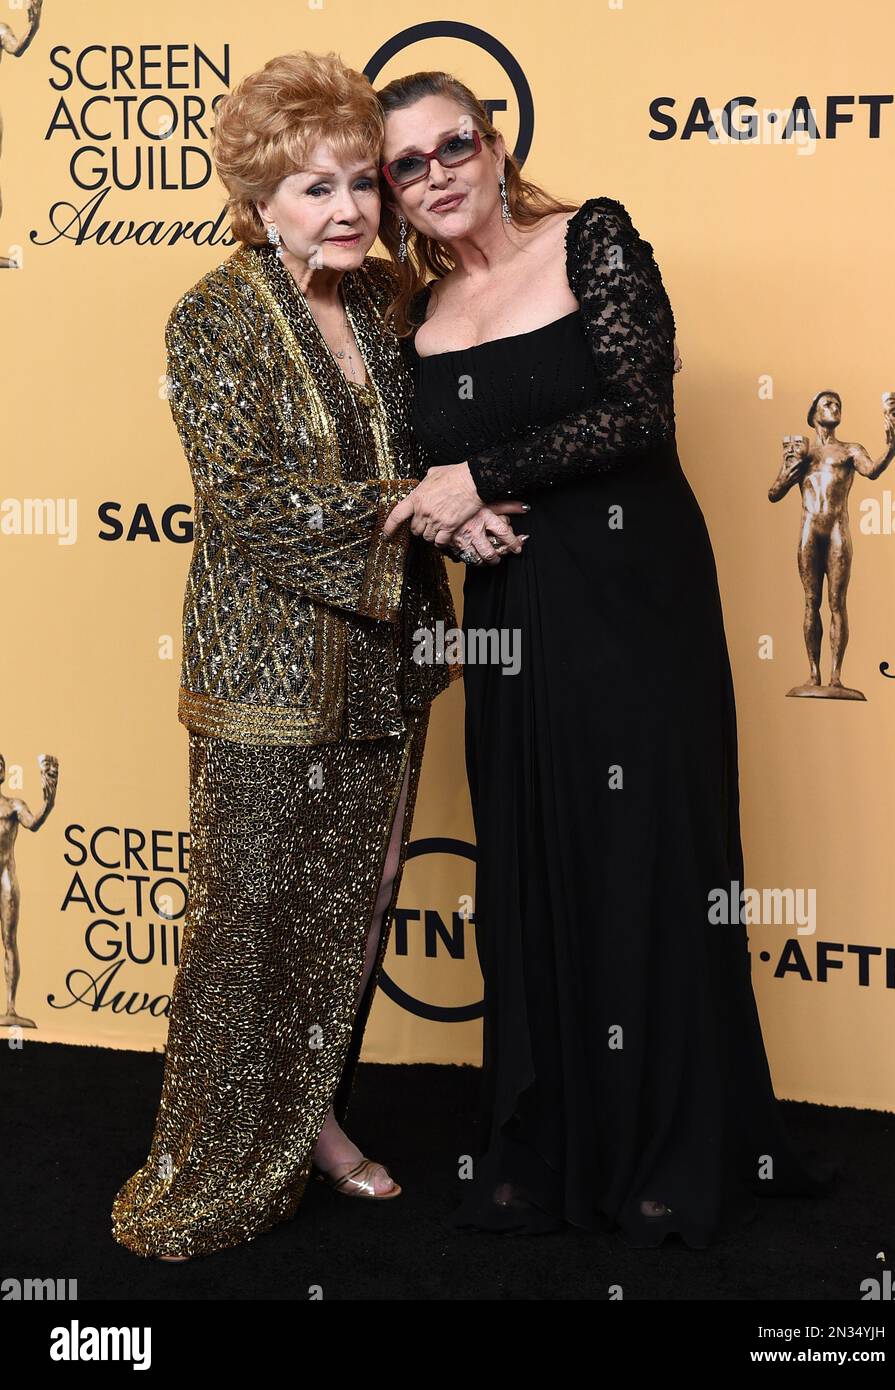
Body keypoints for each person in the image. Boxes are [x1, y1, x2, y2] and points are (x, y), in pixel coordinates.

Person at [377, 70, 838, 1248]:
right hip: (510, 611)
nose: (436, 175)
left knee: (645, 850)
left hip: (632, 597)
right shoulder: (410, 317)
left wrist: (475, 477)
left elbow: (637, 410)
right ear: (387, 191)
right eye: (406, 165)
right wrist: (447, 514)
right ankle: (547, 1140)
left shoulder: (592, 238)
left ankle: (668, 1150)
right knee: (534, 854)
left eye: (452, 146)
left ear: (492, 145)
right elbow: (401, 479)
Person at [110, 52, 521, 1263]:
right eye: (310, 190)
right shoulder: (212, 317)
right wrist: (419, 509)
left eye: (358, 182)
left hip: (392, 666)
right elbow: (249, 498)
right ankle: (210, 1158)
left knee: (359, 904)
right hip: (265, 677)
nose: (345, 209)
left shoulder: (394, 301)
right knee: (249, 925)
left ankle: (315, 1120)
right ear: (256, 202)